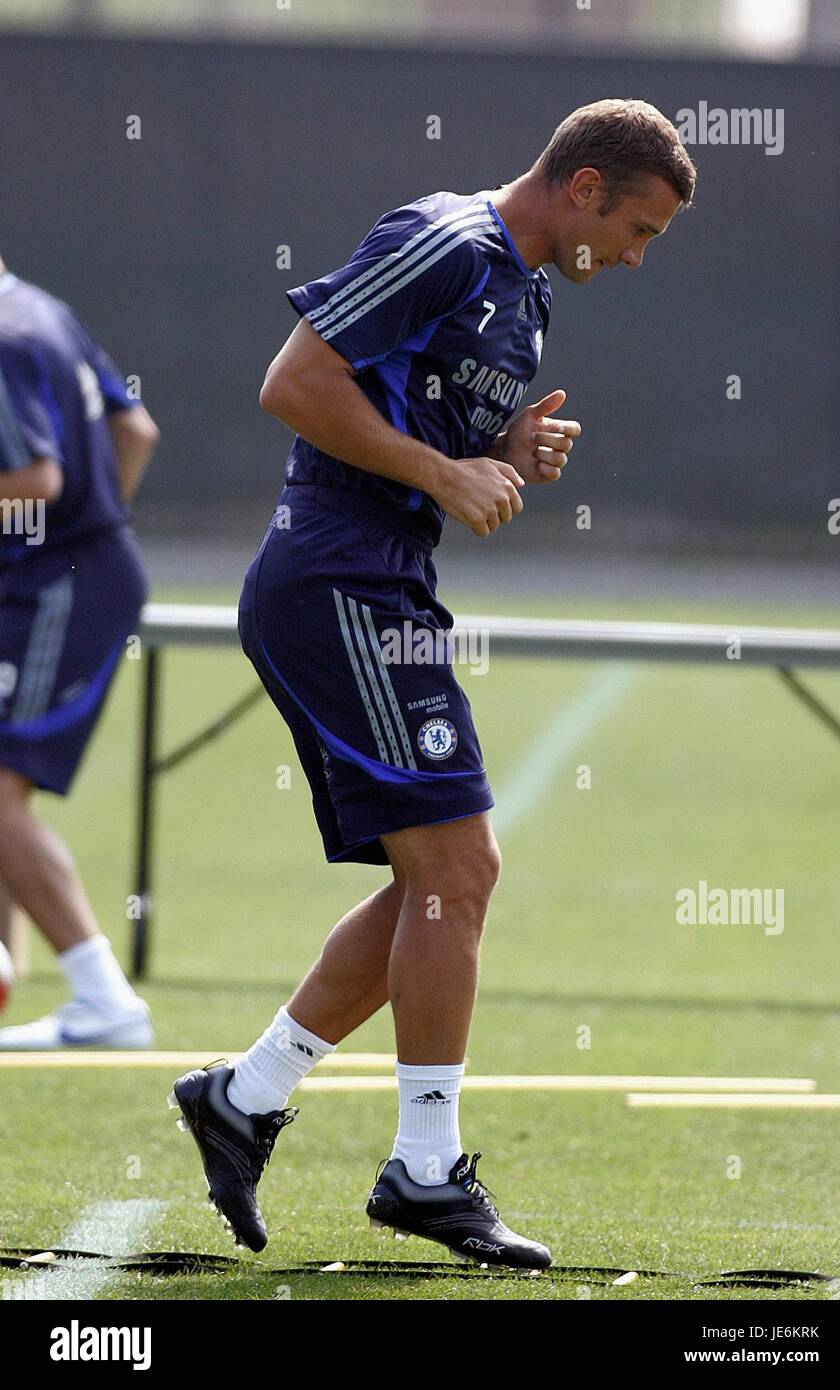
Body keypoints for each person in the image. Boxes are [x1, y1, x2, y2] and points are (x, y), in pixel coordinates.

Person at [170, 99, 696, 1267]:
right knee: (458, 864)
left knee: (436, 877)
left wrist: (502, 461)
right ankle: (419, 1169)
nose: (637, 254)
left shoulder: (530, 288)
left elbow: (429, 443)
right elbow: (293, 382)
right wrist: (441, 474)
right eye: (638, 228)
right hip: (332, 575)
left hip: (384, 582)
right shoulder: (446, 241)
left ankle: (245, 1099)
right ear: (583, 189)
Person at [0, 262, 159, 1049]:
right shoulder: (42, 307)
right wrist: (98, 532)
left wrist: (64, 548)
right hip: (74, 571)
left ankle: (104, 1001)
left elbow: (33, 476)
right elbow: (137, 431)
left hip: (54, 585)